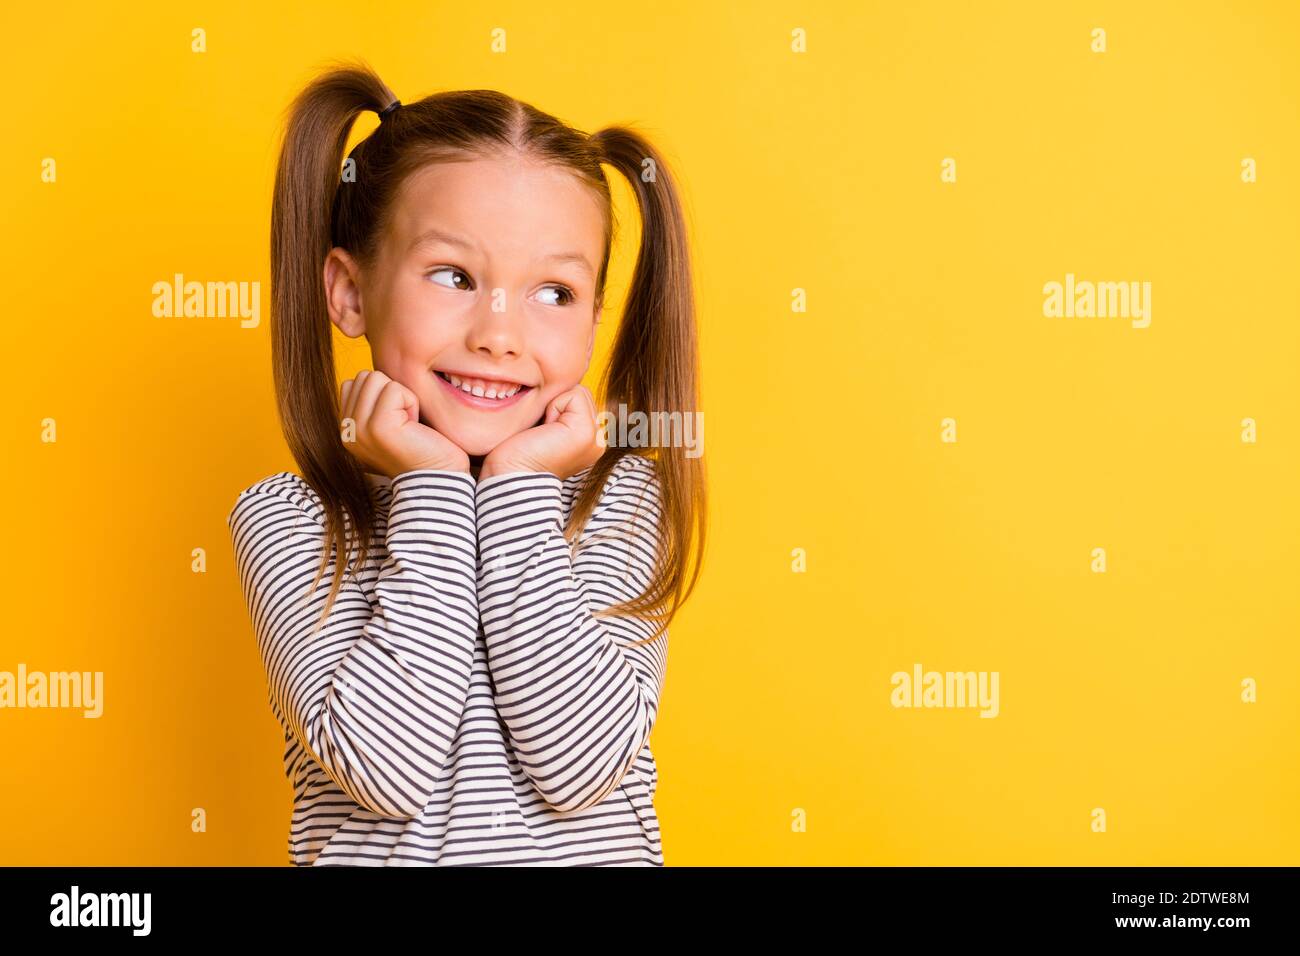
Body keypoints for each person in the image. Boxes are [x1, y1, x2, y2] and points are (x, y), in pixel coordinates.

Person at [226, 61, 705, 865]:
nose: (500, 334)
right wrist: (434, 486)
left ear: (592, 322)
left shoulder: (624, 503)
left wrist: (517, 486)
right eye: (454, 276)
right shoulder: (288, 519)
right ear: (349, 292)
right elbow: (385, 766)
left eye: (553, 293)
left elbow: (579, 763)